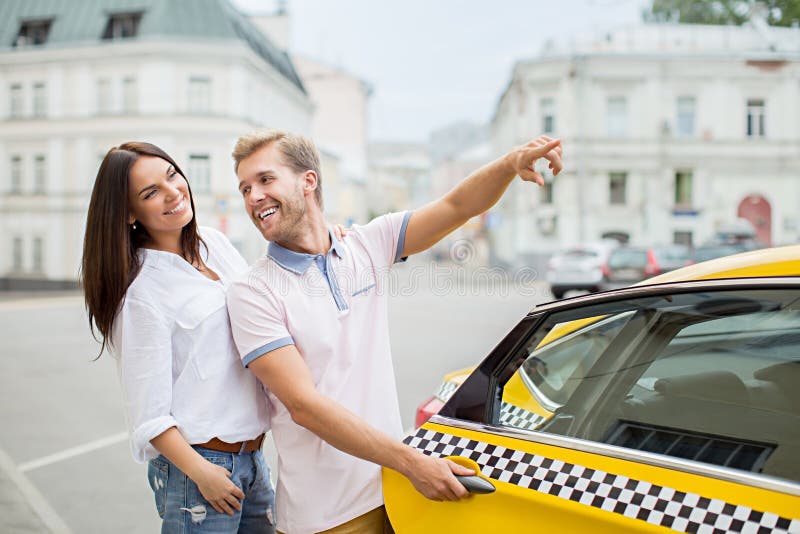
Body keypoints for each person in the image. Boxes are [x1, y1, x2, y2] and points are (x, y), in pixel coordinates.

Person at [225, 130, 563, 533]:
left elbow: (457, 205)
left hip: (396, 494)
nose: (253, 197)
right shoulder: (252, 291)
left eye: (265, 180)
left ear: (308, 181)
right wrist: (413, 463)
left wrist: (509, 165)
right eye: (245, 188)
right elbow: (304, 406)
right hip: (328, 518)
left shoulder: (367, 244)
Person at [81, 142, 279, 533]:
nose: (173, 191)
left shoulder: (215, 245)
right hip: (201, 471)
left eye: (172, 175)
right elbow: (149, 417)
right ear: (128, 215)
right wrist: (202, 473)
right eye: (150, 192)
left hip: (253, 461)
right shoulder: (142, 293)